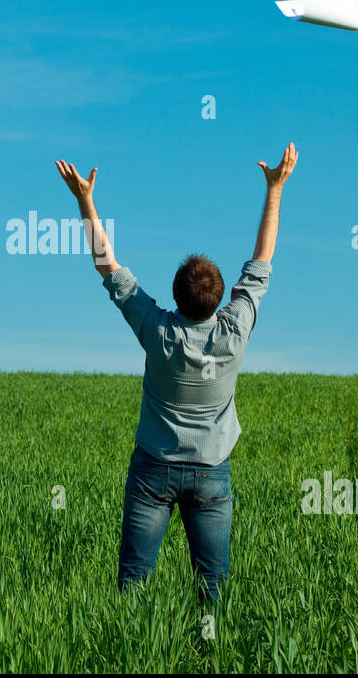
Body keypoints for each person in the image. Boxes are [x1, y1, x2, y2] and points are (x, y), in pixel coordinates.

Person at [53, 144, 298, 599]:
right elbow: (262, 260)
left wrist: (84, 199)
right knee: (212, 588)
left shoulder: (156, 329)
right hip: (211, 472)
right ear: (221, 298)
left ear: (175, 294)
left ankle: (132, 657)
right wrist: (276, 189)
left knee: (132, 585)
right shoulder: (235, 330)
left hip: (153, 470)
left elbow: (107, 266)